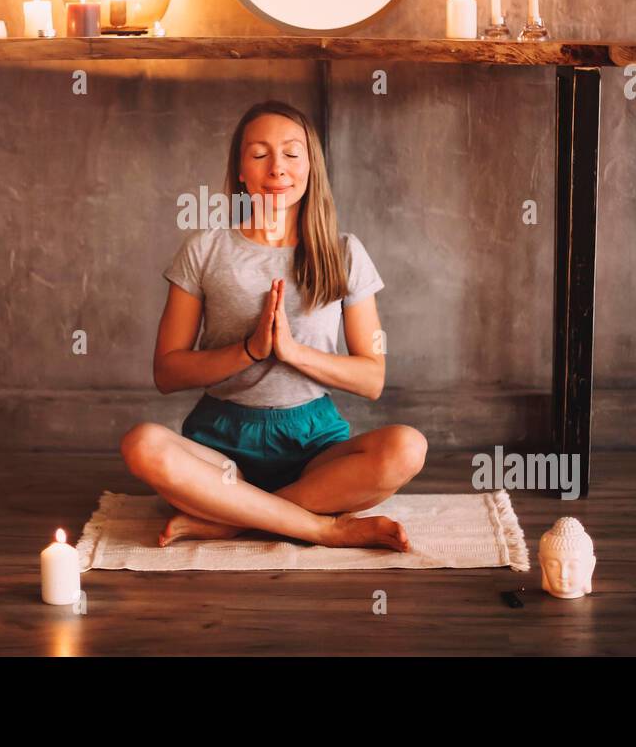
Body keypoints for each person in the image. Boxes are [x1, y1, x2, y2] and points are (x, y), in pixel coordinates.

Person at [120, 100, 427, 550]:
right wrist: (248, 350)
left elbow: (372, 377)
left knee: (407, 447)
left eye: (291, 153)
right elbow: (167, 372)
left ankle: (233, 518)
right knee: (141, 445)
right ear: (241, 169)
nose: (277, 167)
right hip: (221, 447)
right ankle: (319, 526)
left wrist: (292, 351)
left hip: (313, 450)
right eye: (260, 154)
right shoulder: (204, 249)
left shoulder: (344, 252)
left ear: (311, 165)